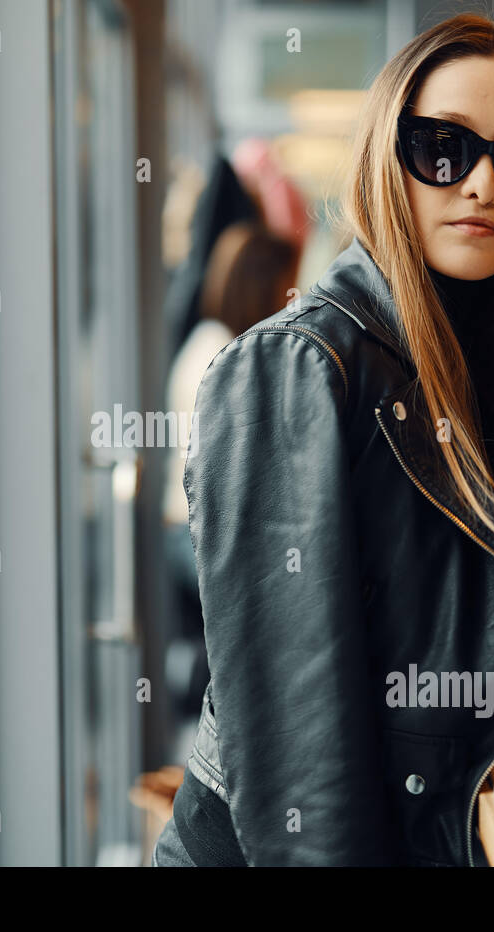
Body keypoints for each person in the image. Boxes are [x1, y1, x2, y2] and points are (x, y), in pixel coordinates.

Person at [152, 13, 494, 867]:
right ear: (387, 156)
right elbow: (300, 775)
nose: (483, 185)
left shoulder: (488, 366)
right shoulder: (292, 368)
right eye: (442, 148)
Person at [162, 223, 300, 718]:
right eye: (288, 284)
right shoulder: (224, 358)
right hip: (196, 532)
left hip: (184, 528)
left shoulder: (210, 341)